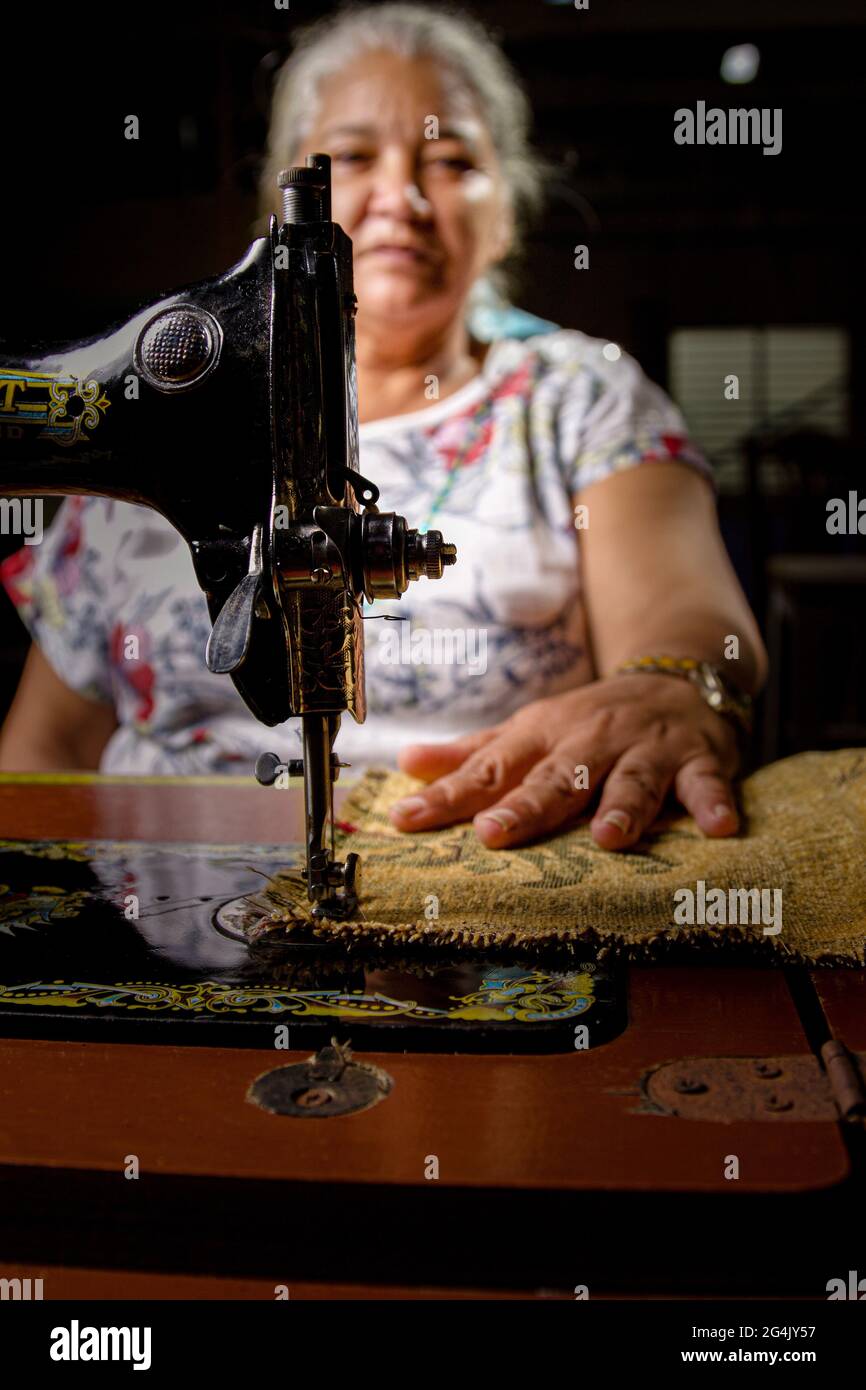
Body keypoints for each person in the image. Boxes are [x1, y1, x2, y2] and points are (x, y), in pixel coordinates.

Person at [0, 2, 766, 856]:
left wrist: (671, 687)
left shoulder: (583, 398)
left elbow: (684, 621)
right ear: (280, 209)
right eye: (355, 156)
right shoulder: (154, 418)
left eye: (450, 161)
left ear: (505, 212)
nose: (400, 198)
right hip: (154, 881)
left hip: (481, 870)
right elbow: (47, 746)